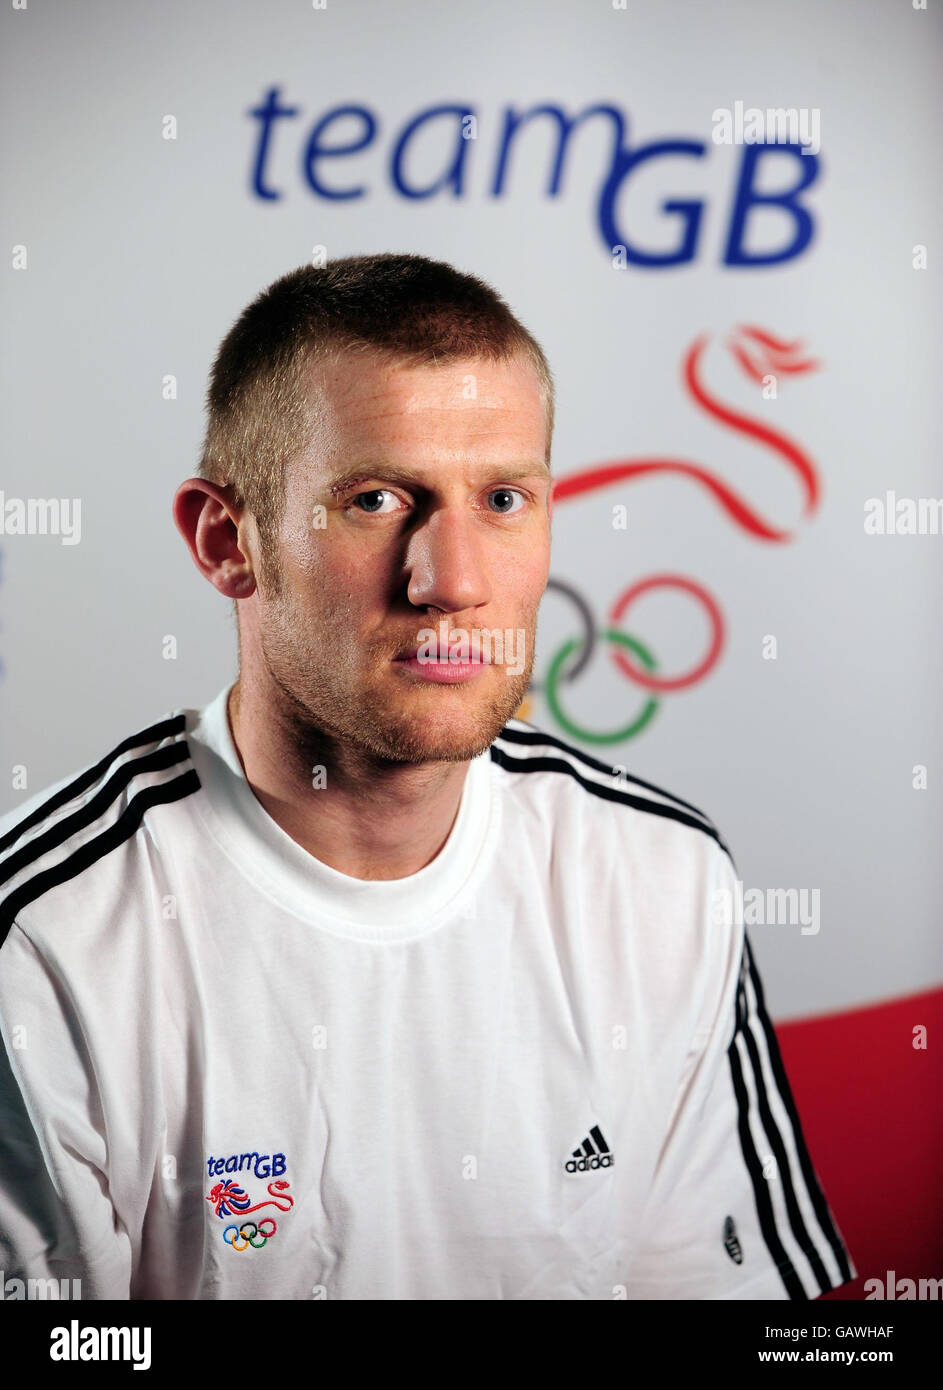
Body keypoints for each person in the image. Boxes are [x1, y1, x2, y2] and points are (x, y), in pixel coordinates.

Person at [0, 253, 854, 1300]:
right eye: (375, 498)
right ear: (227, 541)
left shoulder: (664, 876)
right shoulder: (41, 940)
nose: (450, 579)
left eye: (502, 497)